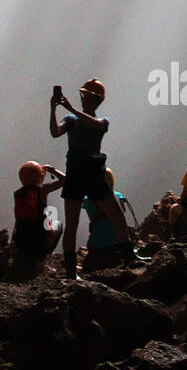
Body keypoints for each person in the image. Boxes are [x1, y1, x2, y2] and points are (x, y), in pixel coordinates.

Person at [50, 79, 144, 278]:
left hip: (93, 173)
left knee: (117, 216)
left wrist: (72, 109)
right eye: (83, 95)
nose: (84, 98)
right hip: (77, 173)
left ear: (97, 100)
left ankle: (129, 258)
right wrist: (53, 109)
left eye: (88, 95)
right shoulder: (71, 119)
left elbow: (93, 124)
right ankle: (70, 272)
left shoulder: (101, 122)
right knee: (72, 223)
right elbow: (55, 132)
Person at [12, 161, 64, 271]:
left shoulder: (17, 194)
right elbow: (65, 180)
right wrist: (51, 170)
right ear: (39, 177)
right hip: (40, 244)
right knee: (57, 224)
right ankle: (44, 256)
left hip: (22, 243)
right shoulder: (42, 190)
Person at [82, 168, 130, 271]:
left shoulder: (87, 200)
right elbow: (123, 211)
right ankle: (128, 254)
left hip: (97, 245)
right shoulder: (118, 196)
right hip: (116, 245)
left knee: (93, 235)